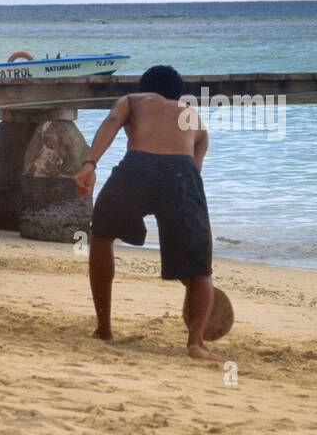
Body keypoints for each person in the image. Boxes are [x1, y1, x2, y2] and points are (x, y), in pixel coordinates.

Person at [73, 65, 218, 362]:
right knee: (199, 264)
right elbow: (195, 171)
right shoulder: (196, 120)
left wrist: (90, 163)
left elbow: (112, 122)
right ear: (179, 94)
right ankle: (196, 343)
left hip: (137, 167)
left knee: (101, 235)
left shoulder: (133, 100)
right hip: (182, 172)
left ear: (145, 89)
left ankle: (104, 327)